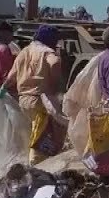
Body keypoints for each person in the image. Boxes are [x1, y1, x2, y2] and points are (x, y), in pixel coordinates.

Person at [6, 25, 66, 164]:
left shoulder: (24, 51)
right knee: (41, 136)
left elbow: (11, 77)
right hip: (40, 101)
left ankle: (26, 162)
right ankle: (36, 167)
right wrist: (56, 83)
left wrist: (2, 89)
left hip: (24, 100)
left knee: (30, 132)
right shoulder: (47, 52)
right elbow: (55, 62)